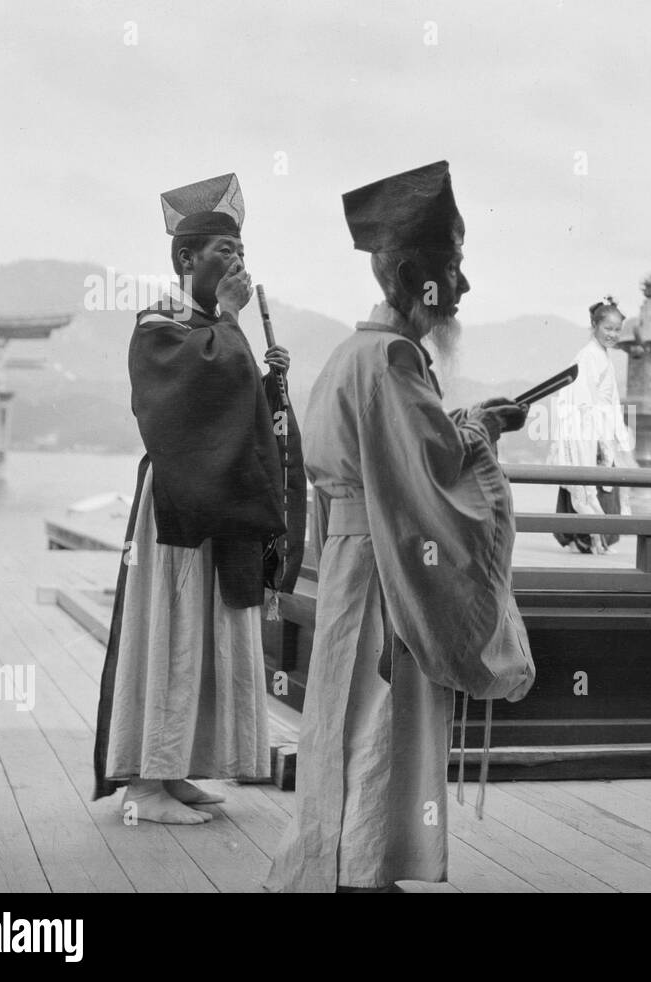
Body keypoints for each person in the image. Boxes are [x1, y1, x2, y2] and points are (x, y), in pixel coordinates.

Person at [266, 160, 535, 893]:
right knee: (382, 719)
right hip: (392, 562)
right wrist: (479, 431)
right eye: (454, 269)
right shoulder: (391, 358)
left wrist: (465, 428)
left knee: (341, 717)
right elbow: (432, 474)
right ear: (423, 282)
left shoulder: (352, 355)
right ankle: (361, 871)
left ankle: (333, 863)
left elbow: (398, 452)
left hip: (357, 555)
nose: (463, 288)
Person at [92, 173, 295, 823]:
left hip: (223, 507)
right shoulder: (161, 322)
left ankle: (176, 771)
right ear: (185, 259)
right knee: (174, 636)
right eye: (224, 255)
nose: (238, 267)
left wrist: (268, 384)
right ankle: (145, 786)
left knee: (204, 637)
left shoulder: (214, 326)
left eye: (242, 255)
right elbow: (187, 406)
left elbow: (237, 416)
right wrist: (233, 327)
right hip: (177, 508)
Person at [548, 298, 634, 554]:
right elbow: (583, 400)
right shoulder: (587, 356)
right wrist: (593, 437)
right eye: (608, 328)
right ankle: (588, 539)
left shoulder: (601, 356)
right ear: (594, 325)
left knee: (602, 484)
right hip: (589, 428)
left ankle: (589, 538)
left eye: (617, 329)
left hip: (601, 426)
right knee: (592, 483)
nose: (613, 334)